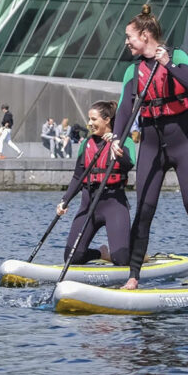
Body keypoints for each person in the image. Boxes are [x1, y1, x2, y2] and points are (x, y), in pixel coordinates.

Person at [113, 4, 188, 289]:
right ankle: (133, 278)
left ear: (145, 35)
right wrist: (115, 140)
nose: (126, 42)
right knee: (144, 211)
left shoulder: (178, 56)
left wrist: (168, 64)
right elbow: (124, 109)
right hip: (150, 144)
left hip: (184, 142)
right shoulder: (132, 71)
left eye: (130, 37)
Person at [56, 102, 135, 266]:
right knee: (72, 257)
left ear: (107, 120)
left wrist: (116, 147)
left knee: (120, 259)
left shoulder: (124, 141)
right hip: (88, 204)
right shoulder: (86, 145)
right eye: (89, 119)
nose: (89, 123)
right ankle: (101, 253)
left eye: (93, 119)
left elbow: (129, 164)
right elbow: (78, 176)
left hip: (114, 204)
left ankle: (133, 254)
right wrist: (65, 200)